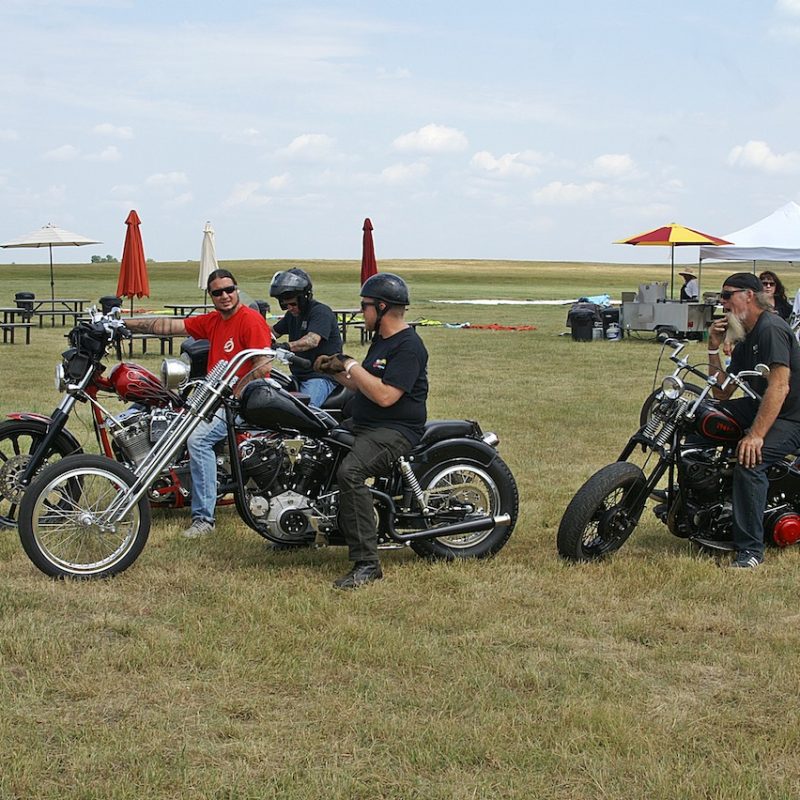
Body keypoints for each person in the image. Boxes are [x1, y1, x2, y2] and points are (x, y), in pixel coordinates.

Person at [126, 270, 272, 538]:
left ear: (236, 289)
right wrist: (126, 325)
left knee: (199, 440)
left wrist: (234, 397)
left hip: (243, 401)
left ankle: (204, 518)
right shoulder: (214, 321)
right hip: (214, 397)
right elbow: (170, 326)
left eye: (229, 289)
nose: (225, 296)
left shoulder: (250, 320)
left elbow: (262, 368)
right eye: (218, 292)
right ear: (211, 296)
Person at [314, 273, 428, 589]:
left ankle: (367, 562)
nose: (360, 311)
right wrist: (333, 371)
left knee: (350, 473)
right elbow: (365, 384)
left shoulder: (408, 346)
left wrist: (350, 364)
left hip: (394, 430)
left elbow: (385, 395)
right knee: (318, 444)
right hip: (366, 424)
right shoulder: (383, 341)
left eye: (364, 306)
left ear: (381, 306)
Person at [706, 272, 800, 568]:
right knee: (704, 419)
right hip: (763, 404)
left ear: (749, 295)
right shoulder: (744, 334)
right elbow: (722, 392)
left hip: (792, 414)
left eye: (727, 295)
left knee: (750, 459)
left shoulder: (770, 329)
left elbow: (780, 386)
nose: (722, 304)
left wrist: (756, 434)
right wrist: (712, 347)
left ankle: (750, 550)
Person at [268, 268, 343, 406]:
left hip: (321, 377)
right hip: (298, 376)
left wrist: (286, 346)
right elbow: (273, 331)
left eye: (293, 304)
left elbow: (312, 340)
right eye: (284, 305)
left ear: (304, 298)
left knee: (303, 413)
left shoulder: (320, 312)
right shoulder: (292, 315)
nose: (289, 308)